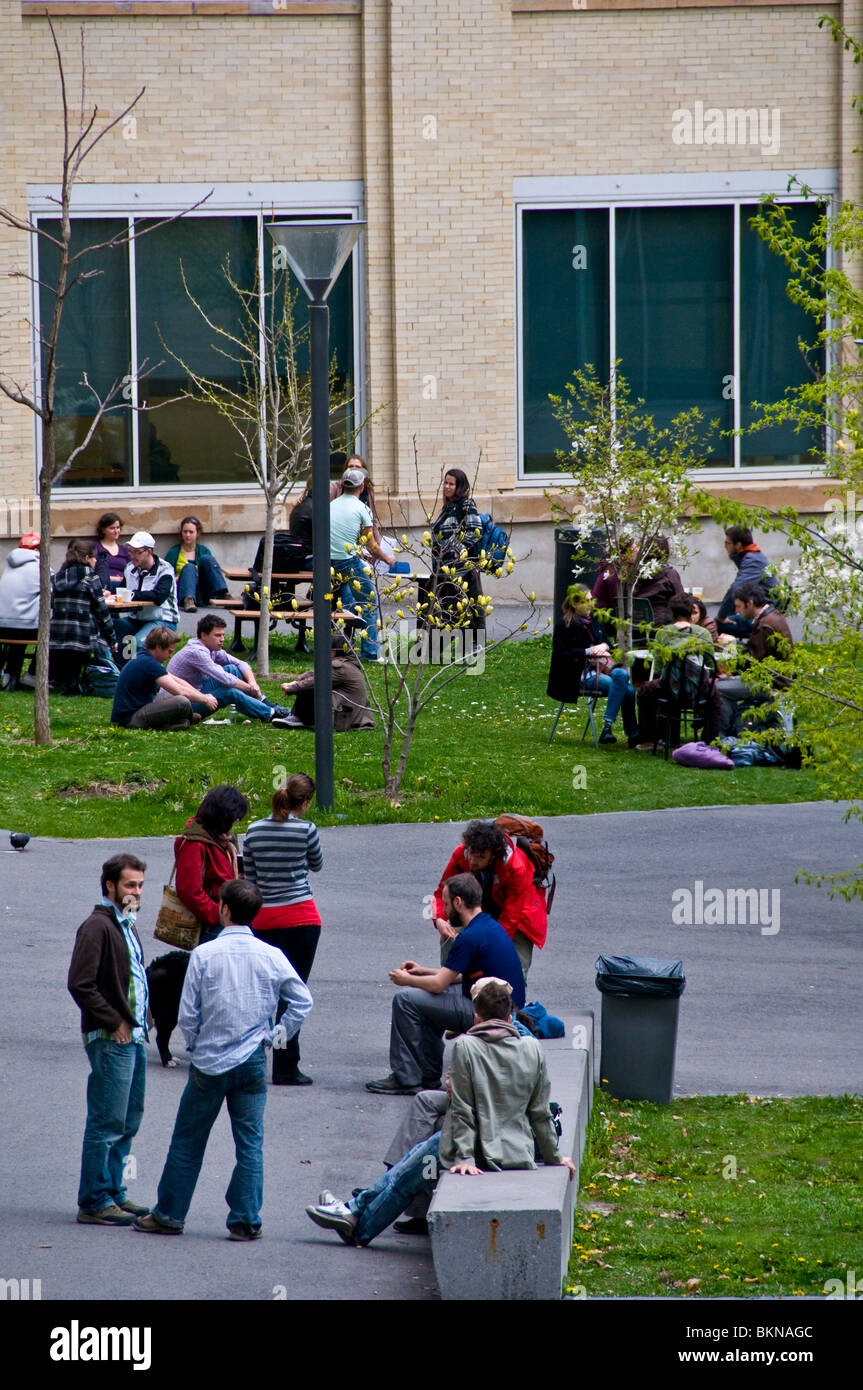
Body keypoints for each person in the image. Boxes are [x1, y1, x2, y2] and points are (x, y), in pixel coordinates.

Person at [308, 977, 575, 1247]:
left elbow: (462, 1109)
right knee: (414, 1158)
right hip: (519, 1148)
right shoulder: (532, 1048)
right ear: (509, 1016)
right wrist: (554, 1156)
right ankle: (354, 1212)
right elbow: (539, 1111)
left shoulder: (467, 1046)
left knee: (409, 1173)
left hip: (479, 1148)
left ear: (476, 1015)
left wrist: (465, 1157)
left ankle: (356, 1220)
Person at [133, 879, 313, 1240]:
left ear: (225, 910)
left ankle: (169, 1214)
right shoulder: (272, 955)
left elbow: (188, 1015)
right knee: (250, 1143)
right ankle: (245, 1219)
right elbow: (302, 1001)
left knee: (188, 1140)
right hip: (251, 1061)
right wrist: (276, 1036)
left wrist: (197, 1046)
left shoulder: (203, 955)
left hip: (209, 1063)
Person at [365, 872, 526, 1096]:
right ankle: (427, 1074)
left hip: (486, 1014)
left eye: (447, 904)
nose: (446, 910)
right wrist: (422, 971)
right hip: (502, 1009)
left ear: (459, 902)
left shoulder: (469, 937)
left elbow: (439, 985)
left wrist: (406, 979)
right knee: (426, 999)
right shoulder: (488, 925)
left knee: (405, 999)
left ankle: (406, 1077)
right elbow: (459, 975)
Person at [68, 852, 151, 1226]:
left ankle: (114, 1192)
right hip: (111, 1037)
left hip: (134, 1037)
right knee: (106, 1121)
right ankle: (94, 1200)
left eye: (140, 885)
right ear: (110, 886)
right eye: (130, 884)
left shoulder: (125, 924)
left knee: (129, 1119)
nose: (137, 891)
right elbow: (80, 983)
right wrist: (113, 1019)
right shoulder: (96, 927)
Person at [245, 773, 323, 1085]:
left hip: (265, 919)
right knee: (294, 992)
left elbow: (250, 879)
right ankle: (285, 1066)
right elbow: (316, 864)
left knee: (265, 993)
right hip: (302, 918)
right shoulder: (306, 830)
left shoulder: (253, 830)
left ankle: (251, 1057)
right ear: (304, 803)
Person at [431, 818, 547, 981]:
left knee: (511, 970)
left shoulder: (516, 867)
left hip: (520, 917)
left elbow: (510, 918)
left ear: (493, 856)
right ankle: (449, 986)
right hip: (487, 906)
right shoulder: (461, 853)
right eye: (471, 853)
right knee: (452, 937)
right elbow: (442, 891)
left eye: (481, 857)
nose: (472, 860)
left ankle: (508, 1001)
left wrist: (484, 947)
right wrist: (440, 920)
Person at [546, 584, 640, 748]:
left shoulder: (594, 621)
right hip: (577, 676)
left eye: (590, 600)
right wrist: (587, 651)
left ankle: (609, 728)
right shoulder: (564, 626)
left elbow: (608, 645)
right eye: (585, 601)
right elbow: (561, 655)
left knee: (623, 679)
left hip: (600, 670)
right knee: (627, 688)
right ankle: (628, 733)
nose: (589, 604)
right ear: (574, 604)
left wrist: (603, 646)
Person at [166, 613, 293, 725]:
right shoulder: (196, 652)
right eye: (217, 635)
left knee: (232, 668)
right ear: (204, 635)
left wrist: (253, 683)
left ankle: (265, 702)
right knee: (229, 692)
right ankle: (271, 713)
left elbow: (241, 663)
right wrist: (250, 689)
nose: (222, 639)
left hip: (195, 691)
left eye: (223, 635)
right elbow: (224, 678)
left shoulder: (211, 648)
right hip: (182, 704)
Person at [634, 591, 718, 750]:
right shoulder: (703, 633)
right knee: (715, 696)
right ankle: (710, 740)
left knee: (644, 691)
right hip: (696, 690)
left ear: (672, 612)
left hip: (668, 690)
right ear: (691, 613)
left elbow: (658, 668)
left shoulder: (663, 633)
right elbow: (711, 666)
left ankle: (649, 739)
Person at [174, 784, 250, 945]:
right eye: (235, 818)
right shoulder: (195, 844)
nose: (236, 822)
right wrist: (220, 915)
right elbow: (189, 891)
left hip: (225, 918)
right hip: (210, 926)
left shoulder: (219, 837)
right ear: (223, 817)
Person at [716, 581, 794, 737]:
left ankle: (721, 736)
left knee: (718, 689)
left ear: (750, 603)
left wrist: (731, 645)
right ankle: (734, 728)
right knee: (725, 684)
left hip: (772, 684)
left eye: (738, 606)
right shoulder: (772, 615)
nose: (736, 611)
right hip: (778, 678)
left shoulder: (765, 624)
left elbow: (751, 662)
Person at [330, 466, 389, 662]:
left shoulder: (330, 505)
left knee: (347, 602)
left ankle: (343, 645)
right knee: (369, 603)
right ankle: (370, 653)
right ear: (361, 486)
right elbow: (371, 545)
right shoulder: (363, 509)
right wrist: (389, 559)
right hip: (347, 561)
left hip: (327, 562)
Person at [110, 626, 218, 731]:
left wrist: (201, 695)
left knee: (173, 696)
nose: (170, 656)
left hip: (141, 706)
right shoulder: (149, 663)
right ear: (158, 647)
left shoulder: (145, 657)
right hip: (130, 718)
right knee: (182, 701)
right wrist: (205, 699)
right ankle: (172, 722)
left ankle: (178, 721)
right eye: (169, 651)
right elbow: (181, 691)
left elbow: (178, 681)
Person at [49, 539, 117, 694]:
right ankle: (85, 680)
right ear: (87, 558)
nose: (95, 562)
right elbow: (102, 611)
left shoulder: (58, 577)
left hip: (58, 633)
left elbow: (52, 603)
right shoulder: (90, 577)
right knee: (94, 627)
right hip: (82, 635)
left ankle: (68, 681)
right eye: (94, 558)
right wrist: (111, 639)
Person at [427, 468, 485, 634]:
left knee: (468, 611)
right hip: (444, 570)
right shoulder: (447, 508)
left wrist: (458, 549)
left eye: (451, 484)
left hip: (462, 571)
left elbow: (475, 530)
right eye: (445, 483)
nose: (446, 486)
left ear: (460, 486)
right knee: (445, 610)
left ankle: (474, 646)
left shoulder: (466, 505)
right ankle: (435, 648)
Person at [279, 632, 375, 731]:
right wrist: (296, 681)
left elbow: (316, 680)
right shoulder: (347, 664)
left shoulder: (340, 667)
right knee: (310, 684)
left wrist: (291, 688)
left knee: (311, 687)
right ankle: (298, 717)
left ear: (335, 651)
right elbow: (314, 673)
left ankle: (301, 718)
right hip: (352, 716)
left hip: (345, 719)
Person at [592, 536, 685, 629]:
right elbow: (681, 600)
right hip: (659, 625)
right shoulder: (669, 574)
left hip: (632, 625)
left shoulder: (630, 573)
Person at [113, 531, 179, 663]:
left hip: (162, 620)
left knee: (136, 643)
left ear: (148, 552)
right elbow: (122, 590)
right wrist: (111, 593)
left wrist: (132, 594)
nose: (132, 556)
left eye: (137, 552)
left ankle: (138, 673)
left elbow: (159, 596)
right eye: (130, 552)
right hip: (136, 619)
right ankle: (122, 672)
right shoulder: (130, 568)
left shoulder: (165, 570)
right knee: (114, 628)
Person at [716, 527, 777, 637]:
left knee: (714, 625)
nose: (725, 547)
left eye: (728, 543)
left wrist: (721, 617)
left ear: (738, 545)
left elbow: (736, 589)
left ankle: (733, 651)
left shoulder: (753, 560)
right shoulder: (752, 557)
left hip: (763, 615)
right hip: (760, 609)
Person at [0, 531, 41, 690]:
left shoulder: (9, 568)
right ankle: (33, 674)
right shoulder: (42, 568)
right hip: (26, 628)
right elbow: (53, 595)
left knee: (20, 624)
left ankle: (11, 674)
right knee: (55, 632)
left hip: (2, 627)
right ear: (37, 551)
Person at [164, 516, 230, 614]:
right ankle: (189, 600)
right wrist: (177, 578)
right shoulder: (174, 552)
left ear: (197, 533)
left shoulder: (204, 551)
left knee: (207, 559)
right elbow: (165, 576)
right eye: (185, 532)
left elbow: (210, 572)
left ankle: (224, 594)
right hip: (182, 589)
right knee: (189, 567)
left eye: (191, 532)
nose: (187, 535)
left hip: (202, 590)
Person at [93, 513, 130, 594]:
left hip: (123, 587)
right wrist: (111, 578)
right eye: (112, 528)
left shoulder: (125, 550)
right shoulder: (95, 548)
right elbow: (92, 571)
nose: (116, 531)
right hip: (105, 587)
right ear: (103, 530)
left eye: (118, 528)